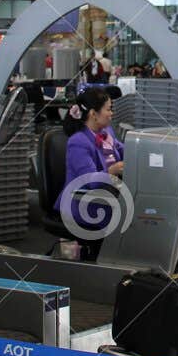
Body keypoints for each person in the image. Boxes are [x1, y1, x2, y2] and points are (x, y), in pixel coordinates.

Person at [56, 86, 124, 259]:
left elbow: (125, 151)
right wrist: (112, 170)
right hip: (83, 203)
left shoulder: (106, 133)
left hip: (107, 197)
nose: (111, 114)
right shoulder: (77, 142)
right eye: (108, 109)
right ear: (94, 114)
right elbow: (89, 181)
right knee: (133, 220)